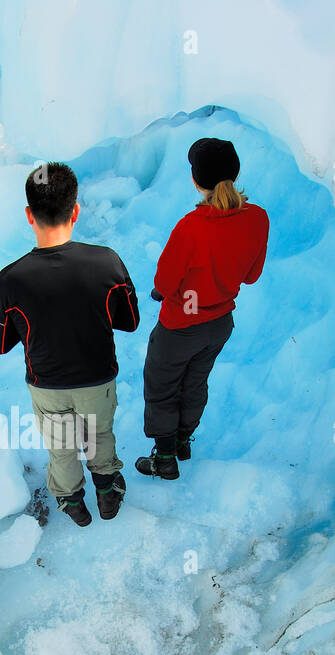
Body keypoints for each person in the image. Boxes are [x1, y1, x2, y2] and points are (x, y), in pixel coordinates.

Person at [0, 162, 140, 526]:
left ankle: (71, 500)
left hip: (48, 384)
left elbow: (0, 342)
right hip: (97, 379)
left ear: (29, 215)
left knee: (62, 444)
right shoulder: (106, 262)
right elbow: (130, 322)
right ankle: (106, 490)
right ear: (75, 211)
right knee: (99, 433)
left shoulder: (11, 280)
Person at [137, 138, 269, 480]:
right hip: (219, 323)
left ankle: (164, 459)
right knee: (195, 383)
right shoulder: (257, 218)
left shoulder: (191, 226)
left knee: (161, 387)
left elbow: (166, 284)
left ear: (196, 179)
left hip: (180, 326)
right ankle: (182, 441)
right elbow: (252, 276)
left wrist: (163, 292)